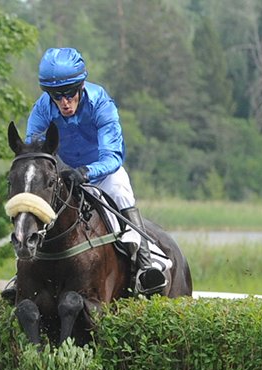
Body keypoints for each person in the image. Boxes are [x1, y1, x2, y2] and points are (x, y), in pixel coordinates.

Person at [25, 47, 166, 295]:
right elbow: (34, 153)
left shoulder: (101, 102)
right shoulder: (42, 109)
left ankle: (145, 264)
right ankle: (23, 274)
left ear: (80, 87)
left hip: (102, 172)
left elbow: (112, 156)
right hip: (65, 174)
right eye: (56, 96)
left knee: (121, 189)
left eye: (69, 94)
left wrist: (86, 172)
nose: (64, 102)